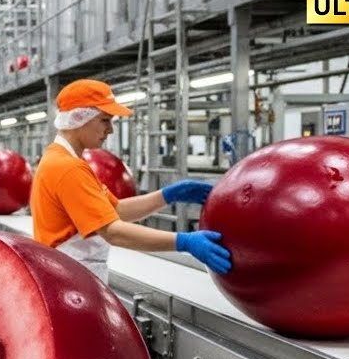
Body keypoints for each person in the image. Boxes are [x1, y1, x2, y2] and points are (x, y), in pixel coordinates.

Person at [30, 78, 231, 283]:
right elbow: (113, 232)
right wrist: (183, 242)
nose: (110, 130)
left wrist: (168, 195)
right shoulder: (67, 167)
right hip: (69, 280)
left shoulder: (62, 159)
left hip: (71, 275)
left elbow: (116, 210)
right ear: (79, 118)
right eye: (105, 120)